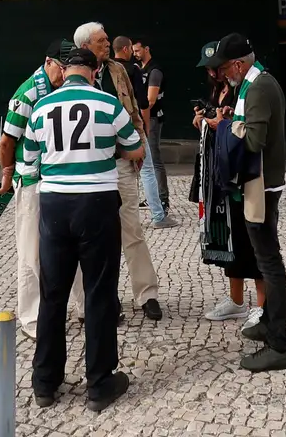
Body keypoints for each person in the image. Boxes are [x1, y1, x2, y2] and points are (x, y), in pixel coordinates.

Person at [24, 45, 143, 412]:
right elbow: (136, 148)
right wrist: (111, 151)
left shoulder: (42, 107)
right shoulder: (108, 104)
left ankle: (45, 383)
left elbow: (31, 162)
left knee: (53, 294)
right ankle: (100, 382)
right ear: (93, 71)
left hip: (55, 205)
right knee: (98, 292)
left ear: (66, 71)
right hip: (97, 203)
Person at [214, 32, 286, 371]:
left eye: (222, 69)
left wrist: (224, 125)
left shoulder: (258, 86)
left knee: (269, 261)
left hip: (261, 185)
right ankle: (268, 326)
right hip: (260, 182)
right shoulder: (255, 83)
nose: (220, 75)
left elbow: (255, 139)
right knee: (265, 260)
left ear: (236, 64)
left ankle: (279, 343)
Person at [77, 21, 162, 322]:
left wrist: (139, 144)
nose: (107, 42)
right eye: (101, 40)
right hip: (87, 168)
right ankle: (93, 302)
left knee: (132, 230)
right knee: (88, 238)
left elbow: (134, 110)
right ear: (85, 45)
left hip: (120, 161)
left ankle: (146, 294)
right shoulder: (73, 74)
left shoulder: (118, 70)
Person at [0, 41, 69, 339]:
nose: (64, 75)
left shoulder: (62, 90)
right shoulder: (28, 92)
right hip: (30, 180)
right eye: (61, 68)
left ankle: (77, 307)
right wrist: (7, 174)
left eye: (68, 69)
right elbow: (6, 141)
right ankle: (32, 319)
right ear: (49, 61)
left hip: (55, 179)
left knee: (67, 246)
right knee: (30, 251)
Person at [192, 42, 263, 328]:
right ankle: (236, 300)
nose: (214, 73)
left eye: (218, 67)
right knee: (229, 237)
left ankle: (261, 305)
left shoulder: (248, 86)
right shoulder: (220, 88)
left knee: (252, 240)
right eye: (211, 69)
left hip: (241, 172)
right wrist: (205, 120)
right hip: (220, 171)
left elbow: (246, 131)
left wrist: (220, 123)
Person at [132, 37, 172, 226]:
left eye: (138, 50)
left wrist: (143, 120)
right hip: (146, 118)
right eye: (133, 51)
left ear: (147, 49)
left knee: (154, 160)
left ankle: (162, 198)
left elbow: (151, 99)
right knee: (149, 162)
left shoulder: (154, 70)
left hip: (153, 119)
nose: (135, 54)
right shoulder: (139, 69)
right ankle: (154, 196)